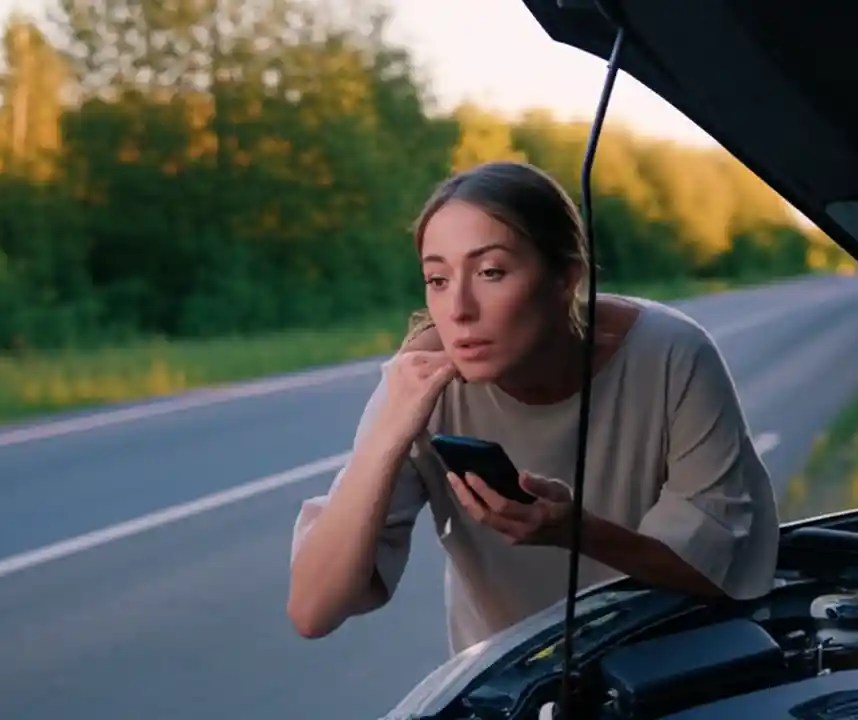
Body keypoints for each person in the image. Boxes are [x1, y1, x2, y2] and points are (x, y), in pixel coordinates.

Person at [286, 161, 779, 656]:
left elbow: (725, 569)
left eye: (490, 272)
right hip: (518, 685)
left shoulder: (674, 353)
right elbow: (313, 610)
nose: (458, 308)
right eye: (437, 279)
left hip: (672, 666)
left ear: (566, 277)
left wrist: (575, 532)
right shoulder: (417, 382)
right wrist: (386, 437)